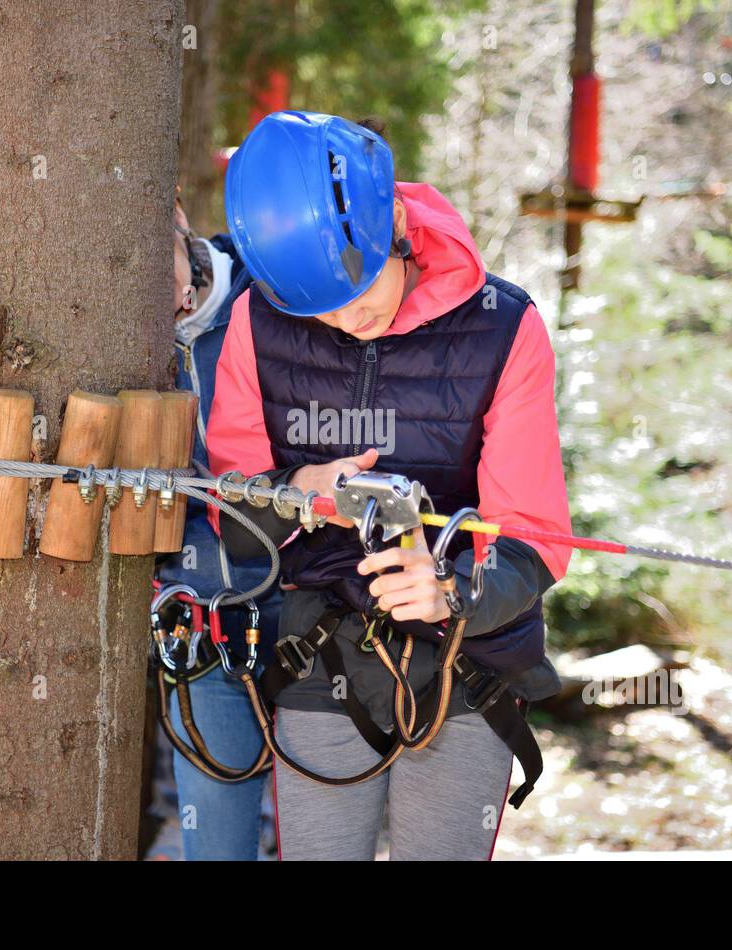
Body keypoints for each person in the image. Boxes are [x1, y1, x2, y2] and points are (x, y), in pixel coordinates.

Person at [206, 111, 572, 861]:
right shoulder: (255, 321)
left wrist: (453, 590)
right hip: (322, 654)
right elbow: (230, 504)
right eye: (316, 305)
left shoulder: (504, 328)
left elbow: (537, 535)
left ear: (395, 222)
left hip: (469, 667)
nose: (347, 318)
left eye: (356, 285)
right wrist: (301, 485)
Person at [153, 196, 281, 861]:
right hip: (203, 630)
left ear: (175, 217)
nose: (158, 303)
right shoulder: (111, 339)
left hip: (316, 624)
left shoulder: (276, 289)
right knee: (217, 850)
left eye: (158, 274)